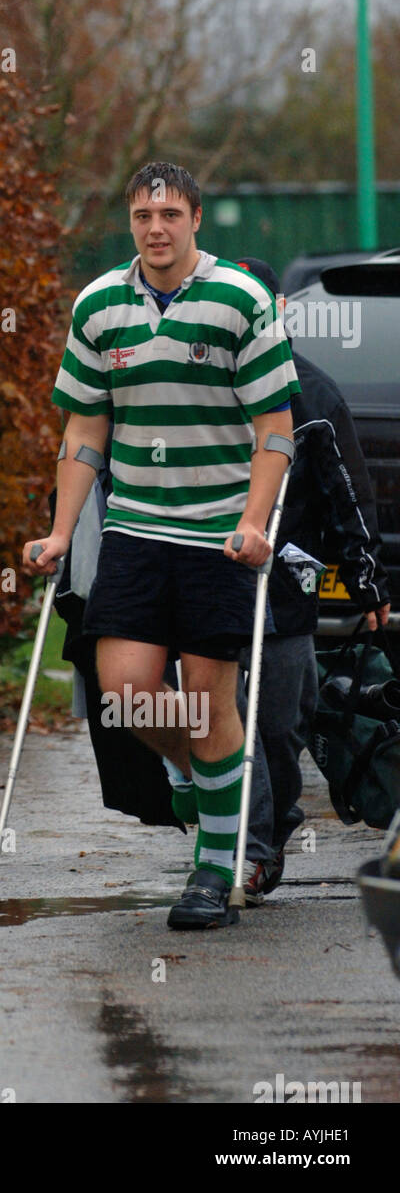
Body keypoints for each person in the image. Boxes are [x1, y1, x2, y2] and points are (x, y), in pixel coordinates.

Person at [22, 162, 300, 930]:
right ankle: (187, 771)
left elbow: (275, 432)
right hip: (136, 532)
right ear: (129, 222)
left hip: (217, 534)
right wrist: (59, 531)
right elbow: (83, 431)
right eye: (144, 215)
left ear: (196, 220)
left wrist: (252, 522)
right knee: (125, 690)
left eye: (171, 214)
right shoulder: (99, 306)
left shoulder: (241, 302)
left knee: (210, 695)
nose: (156, 228)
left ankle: (214, 871)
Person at [233, 257, 390, 903]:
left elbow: (348, 491)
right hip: (207, 574)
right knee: (219, 715)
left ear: (281, 311)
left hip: (286, 585)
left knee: (277, 720)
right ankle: (245, 847)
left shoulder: (312, 393)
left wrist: (364, 576)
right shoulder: (204, 389)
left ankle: (266, 832)